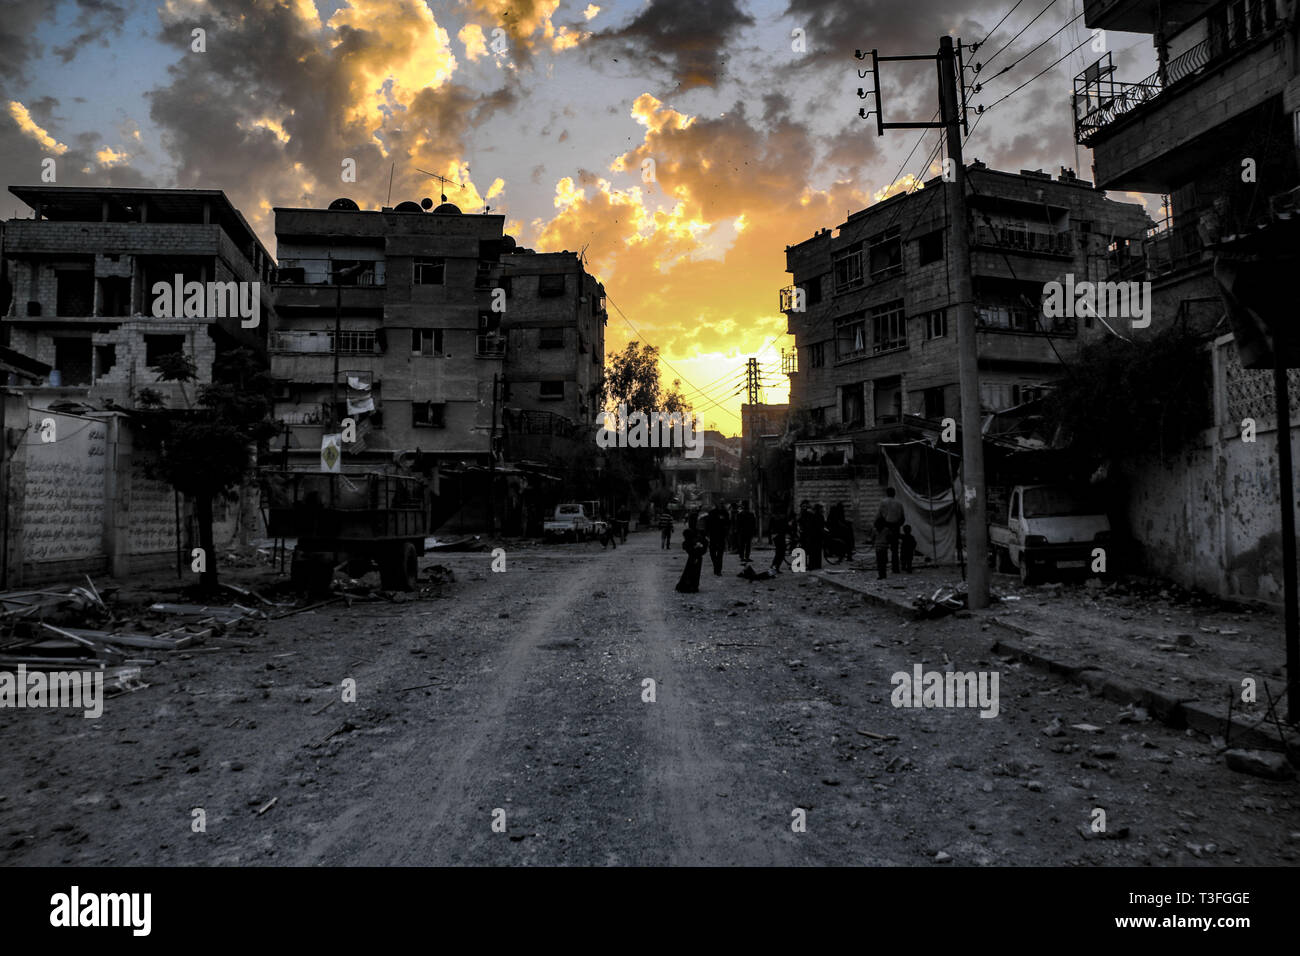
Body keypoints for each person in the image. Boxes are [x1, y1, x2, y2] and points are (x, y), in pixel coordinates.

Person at [874, 486, 905, 579]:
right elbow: (903, 518)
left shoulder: (883, 502)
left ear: (887, 493)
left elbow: (879, 515)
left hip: (886, 526)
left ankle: (883, 569)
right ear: (894, 493)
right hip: (895, 527)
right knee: (895, 549)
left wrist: (877, 526)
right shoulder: (899, 504)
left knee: (883, 548)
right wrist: (898, 525)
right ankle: (895, 568)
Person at [676, 512, 707, 593]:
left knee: (693, 569)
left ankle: (692, 585)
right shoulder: (691, 531)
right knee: (692, 569)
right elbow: (686, 544)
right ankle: (691, 585)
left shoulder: (698, 531)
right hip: (694, 553)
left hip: (696, 553)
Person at [704, 503, 730, 576]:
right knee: (714, 552)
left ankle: (718, 569)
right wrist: (706, 533)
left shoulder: (724, 513)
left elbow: (728, 523)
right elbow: (707, 523)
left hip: (719, 535)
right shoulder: (713, 513)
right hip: (715, 535)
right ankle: (717, 567)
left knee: (718, 553)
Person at [802, 503, 825, 571]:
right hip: (816, 536)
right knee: (816, 551)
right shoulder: (819, 516)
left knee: (814, 551)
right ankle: (816, 565)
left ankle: (813, 565)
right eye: (821, 508)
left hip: (813, 536)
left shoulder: (813, 516)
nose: (822, 510)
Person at [768, 508, 789, 574]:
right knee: (780, 553)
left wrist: (770, 539)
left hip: (777, 536)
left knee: (779, 553)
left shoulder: (774, 518)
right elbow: (786, 528)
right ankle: (774, 567)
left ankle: (775, 567)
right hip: (779, 536)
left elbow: (770, 529)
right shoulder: (781, 519)